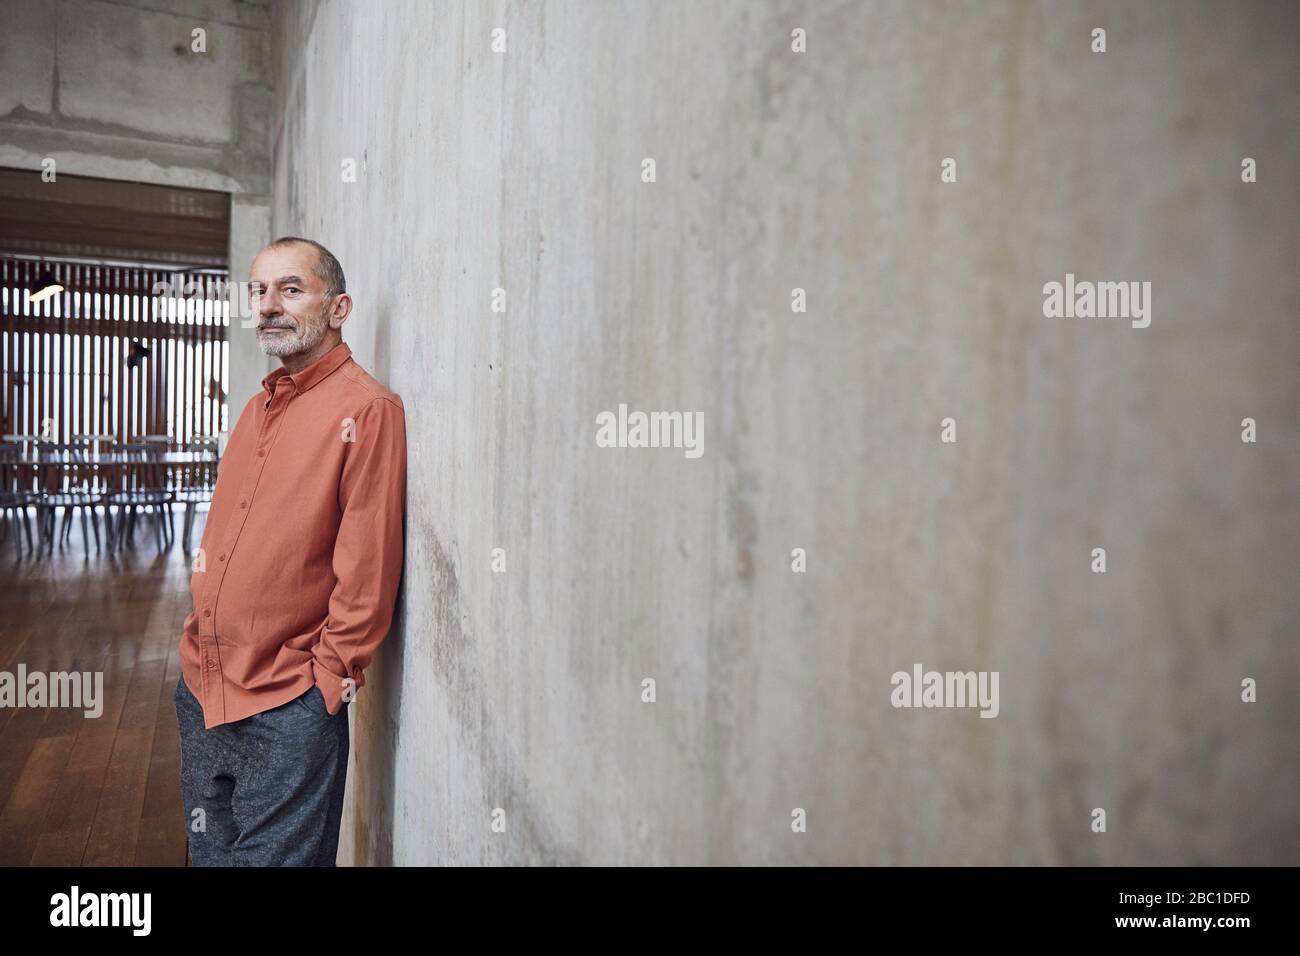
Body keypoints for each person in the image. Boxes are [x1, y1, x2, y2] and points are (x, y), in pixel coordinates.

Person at [174, 236, 407, 865]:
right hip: (204, 686)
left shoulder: (369, 410)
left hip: (288, 704)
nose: (268, 305)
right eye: (259, 290)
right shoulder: (255, 409)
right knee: (210, 858)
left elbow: (368, 572)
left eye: (291, 288)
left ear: (339, 308)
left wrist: (325, 685)